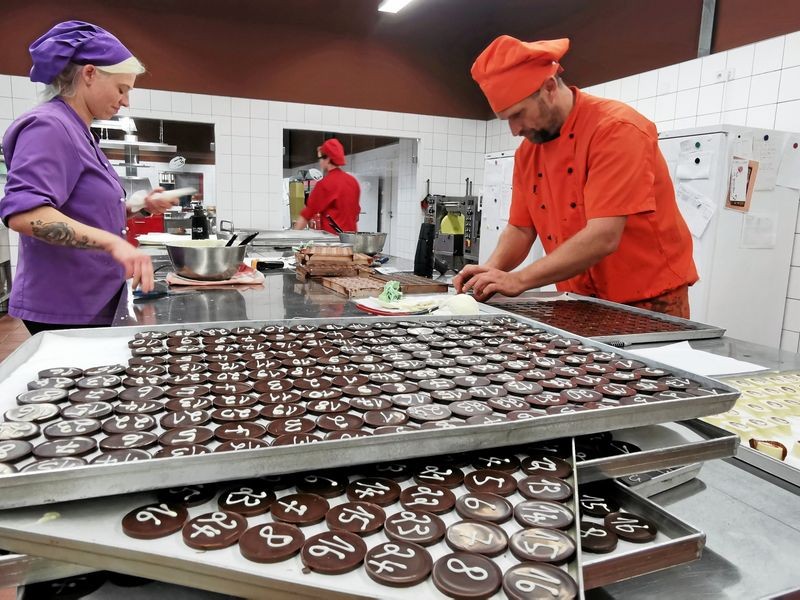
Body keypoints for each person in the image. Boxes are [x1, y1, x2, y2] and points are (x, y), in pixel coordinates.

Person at [455, 36, 698, 318]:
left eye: (518, 114)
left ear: (549, 88)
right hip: (579, 300)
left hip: (649, 299)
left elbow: (603, 236)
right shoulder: (528, 153)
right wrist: (490, 271)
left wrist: (518, 280)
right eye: (506, 119)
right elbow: (521, 229)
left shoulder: (615, 129)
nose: (514, 130)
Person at [0, 21, 177, 335]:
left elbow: (82, 209)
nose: (125, 101)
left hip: (93, 298)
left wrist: (139, 205)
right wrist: (113, 244)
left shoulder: (79, 132)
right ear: (90, 74)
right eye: (122, 89)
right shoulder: (49, 126)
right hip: (65, 306)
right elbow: (26, 215)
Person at [293, 138, 361, 234]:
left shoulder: (325, 184)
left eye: (320, 158)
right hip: (352, 241)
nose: (320, 162)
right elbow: (356, 215)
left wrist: (293, 237)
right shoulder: (353, 182)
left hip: (333, 241)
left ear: (328, 159)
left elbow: (306, 215)